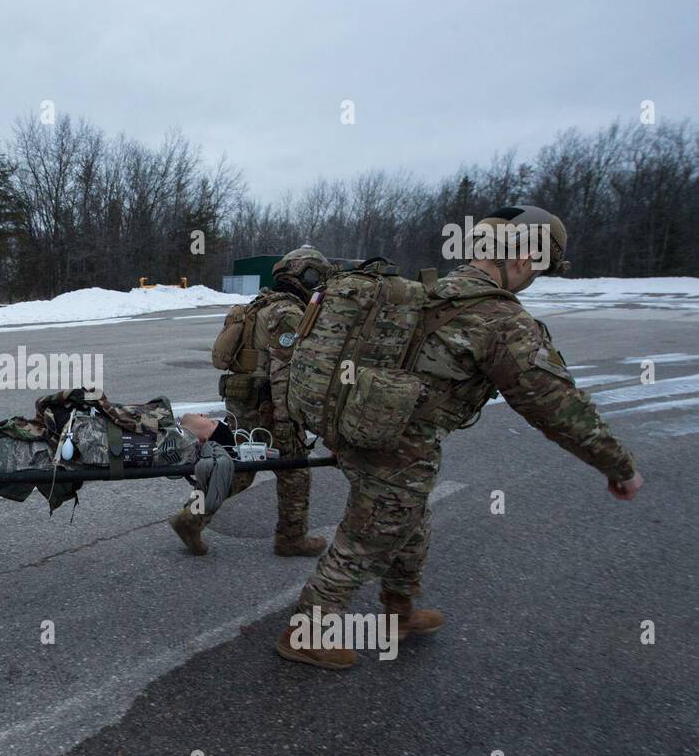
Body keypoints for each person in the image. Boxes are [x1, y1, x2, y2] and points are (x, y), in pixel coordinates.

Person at [278, 206, 643, 669]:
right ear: (524, 256)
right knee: (371, 533)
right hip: (394, 442)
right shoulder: (499, 320)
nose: (535, 277)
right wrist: (618, 466)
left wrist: (337, 426)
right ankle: (308, 629)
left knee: (408, 518)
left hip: (359, 427)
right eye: (540, 266)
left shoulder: (428, 292)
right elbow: (555, 406)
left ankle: (399, 610)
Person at [170, 246, 331, 557]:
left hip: (244, 401)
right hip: (268, 407)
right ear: (307, 277)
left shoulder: (258, 306)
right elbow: (284, 375)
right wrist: (288, 425)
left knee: (240, 468)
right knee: (295, 469)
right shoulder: (288, 315)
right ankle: (291, 538)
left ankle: (192, 517)